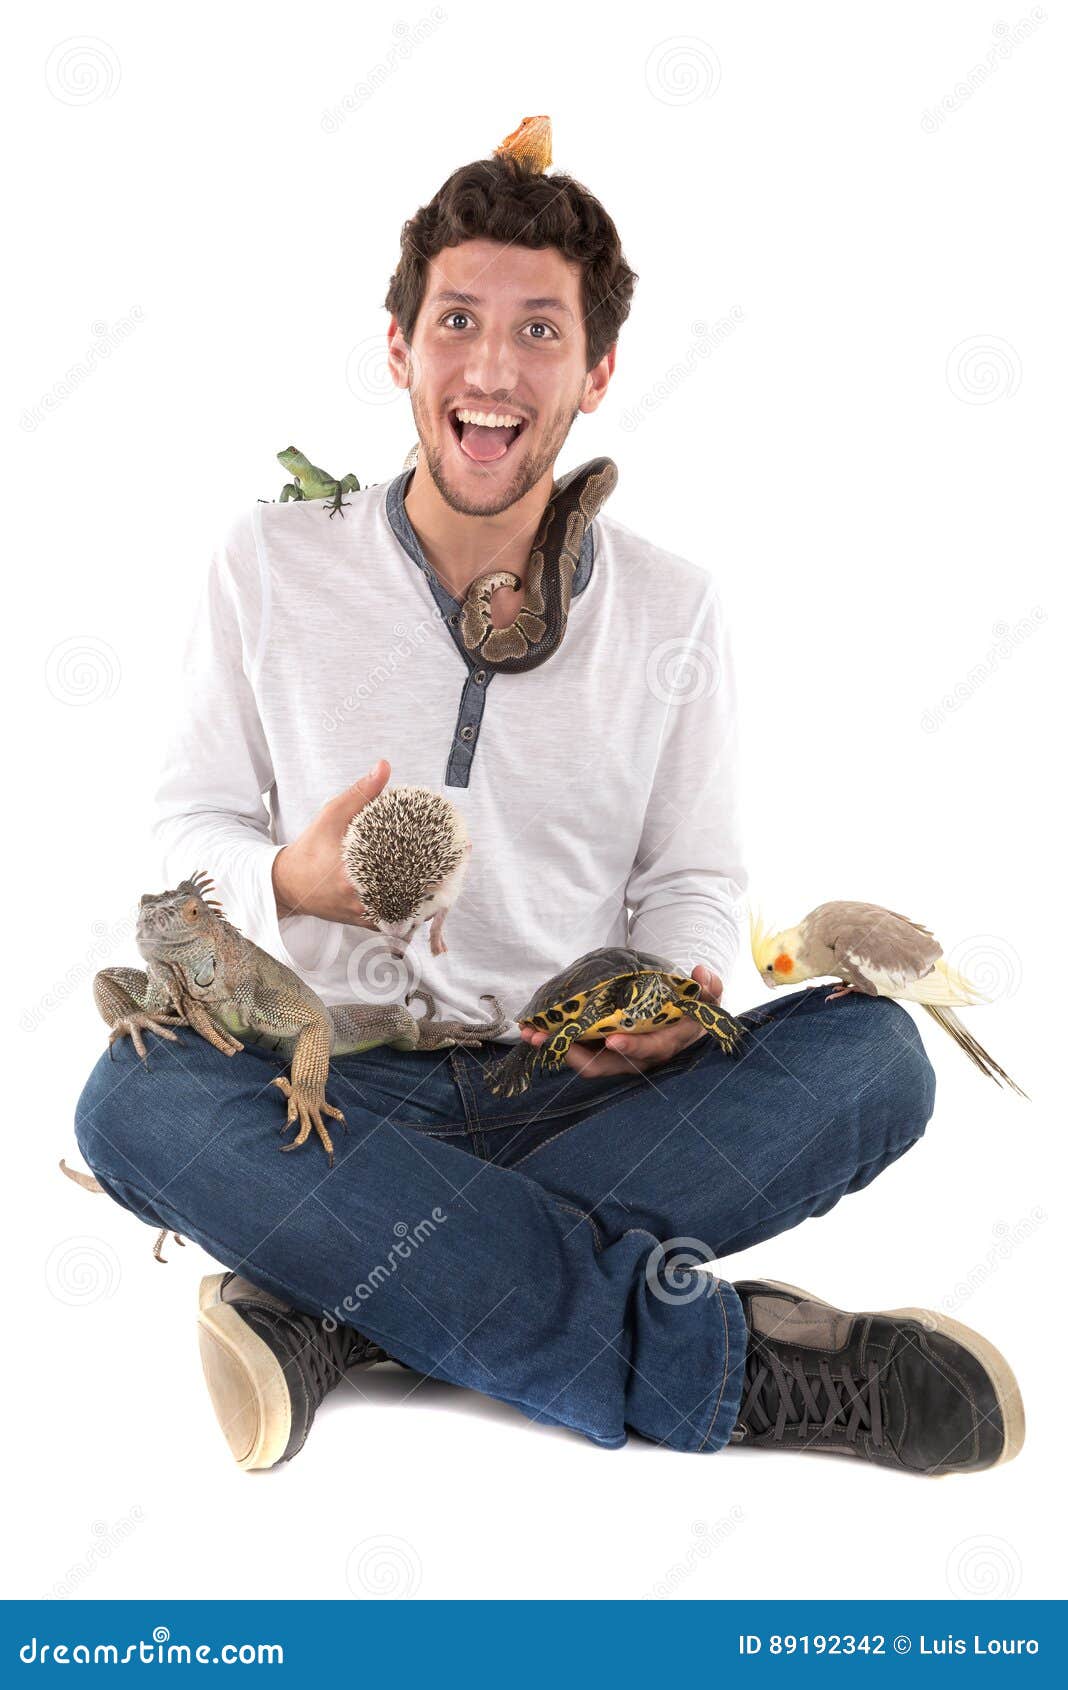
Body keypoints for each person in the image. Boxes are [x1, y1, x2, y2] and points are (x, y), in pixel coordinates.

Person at [74, 137, 1024, 1477]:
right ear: (400, 347)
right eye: (458, 321)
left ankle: (343, 1297)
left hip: (569, 1086)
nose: (493, 367)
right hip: (329, 1099)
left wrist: (677, 987)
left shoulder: (674, 606)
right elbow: (176, 853)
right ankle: (725, 1370)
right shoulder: (270, 564)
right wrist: (289, 878)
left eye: (539, 331)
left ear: (596, 373)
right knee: (129, 1103)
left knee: (877, 1061)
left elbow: (694, 873)